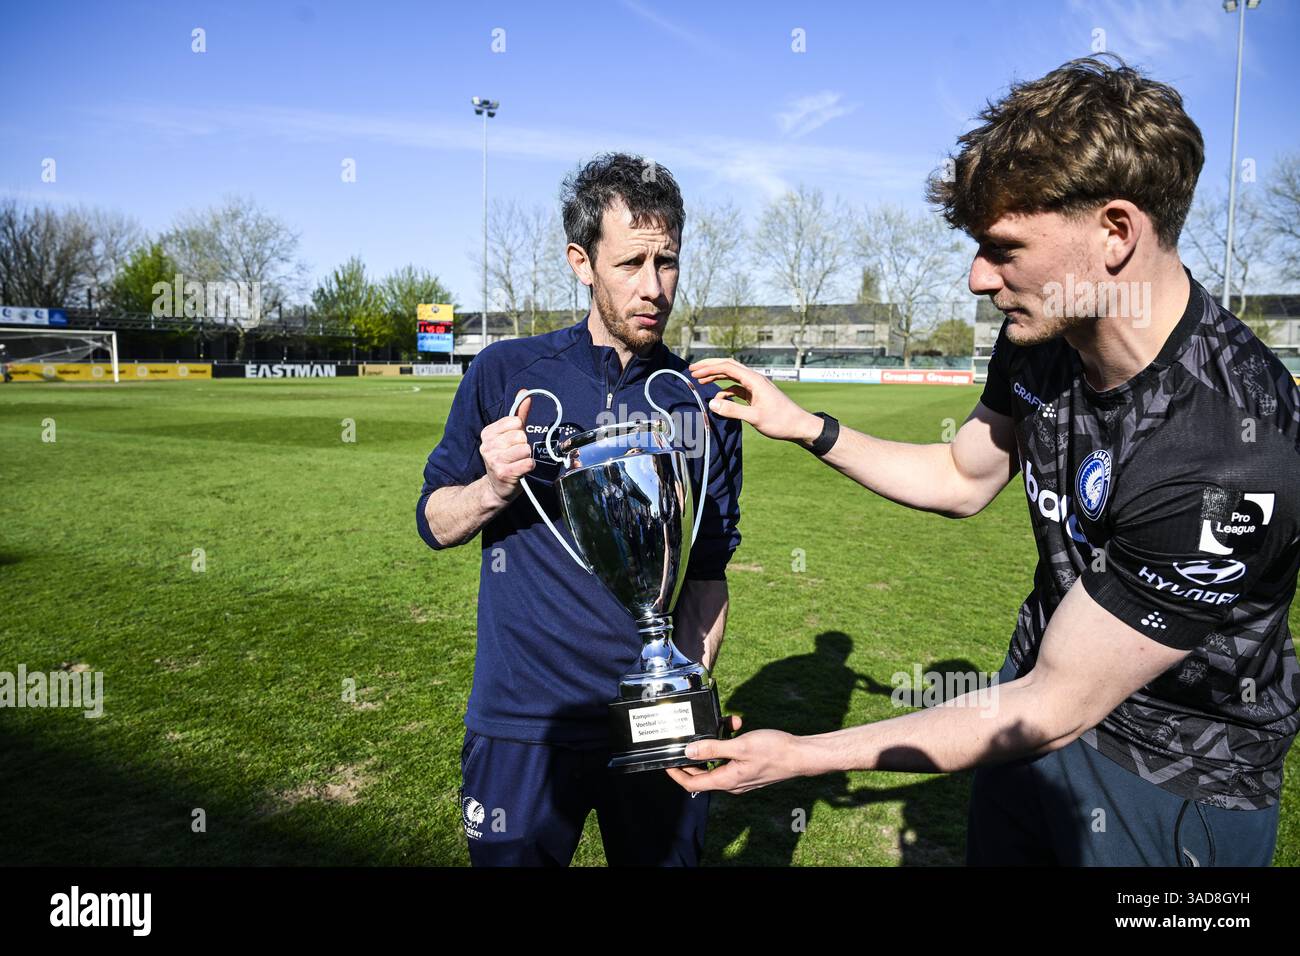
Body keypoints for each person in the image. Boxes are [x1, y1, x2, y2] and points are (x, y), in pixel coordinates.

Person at [668, 56, 1300, 867]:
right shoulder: (1042, 337)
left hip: (1172, 782)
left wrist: (801, 756)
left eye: (1004, 248)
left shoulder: (1227, 449)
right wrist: (807, 428)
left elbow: (1057, 702)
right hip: (1024, 720)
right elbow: (965, 477)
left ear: (1115, 232)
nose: (977, 278)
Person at [416, 152, 743, 866]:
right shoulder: (504, 373)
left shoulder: (703, 402)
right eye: (631, 263)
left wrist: (688, 685)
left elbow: (709, 572)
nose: (654, 287)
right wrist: (491, 488)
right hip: (524, 723)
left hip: (657, 730)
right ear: (581, 261)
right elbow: (433, 521)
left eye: (669, 262)